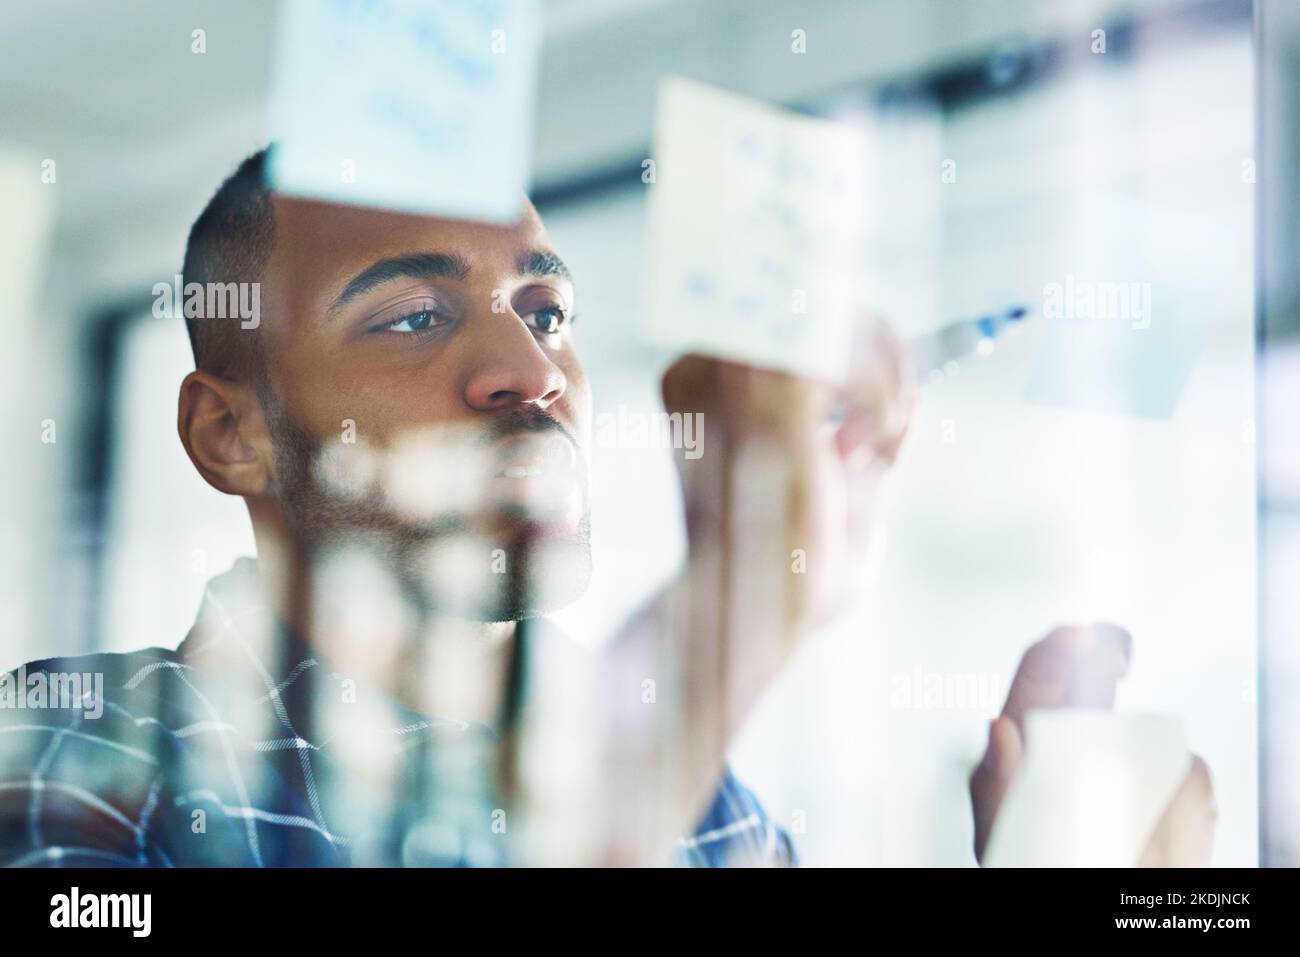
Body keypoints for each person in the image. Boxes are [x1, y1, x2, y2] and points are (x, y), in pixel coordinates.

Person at [0, 148, 1214, 867]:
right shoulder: (80, 751)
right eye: (412, 317)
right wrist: (732, 618)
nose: (531, 374)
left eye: (546, 313)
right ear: (232, 434)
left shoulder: (715, 819)